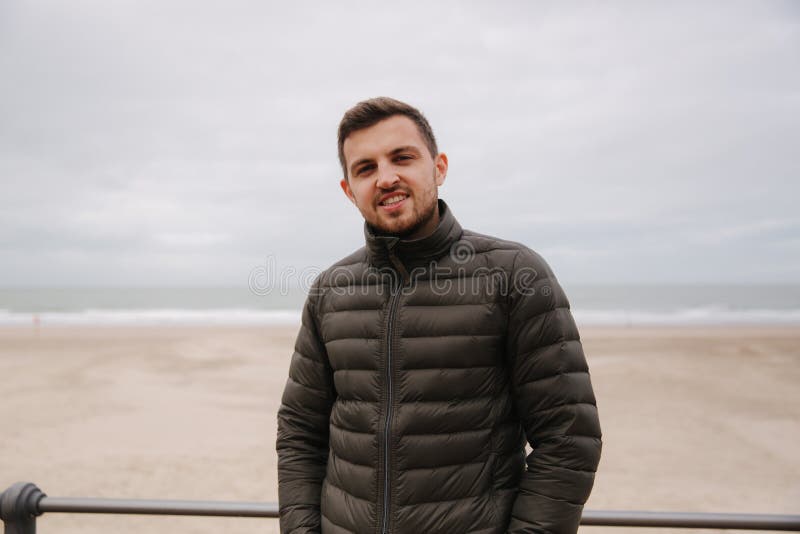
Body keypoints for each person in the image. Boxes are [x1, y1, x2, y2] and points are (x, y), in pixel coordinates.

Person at [277, 97, 602, 534]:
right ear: (348, 189)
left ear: (439, 167)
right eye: (366, 168)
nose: (386, 177)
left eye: (402, 158)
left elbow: (569, 441)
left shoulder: (514, 274)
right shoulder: (330, 290)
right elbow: (300, 432)